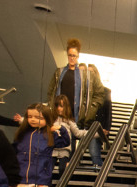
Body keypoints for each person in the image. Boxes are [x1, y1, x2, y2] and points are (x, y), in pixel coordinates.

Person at [46, 37, 108, 169]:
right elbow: (51, 92)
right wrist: (52, 108)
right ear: (67, 55)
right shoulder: (59, 73)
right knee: (59, 146)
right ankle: (62, 172)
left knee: (73, 145)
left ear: (78, 55)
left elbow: (100, 93)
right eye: (70, 55)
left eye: (74, 55)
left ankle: (70, 171)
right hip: (60, 115)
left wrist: (91, 109)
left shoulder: (86, 75)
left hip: (78, 115)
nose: (72, 58)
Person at [13, 102, 69, 187]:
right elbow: (14, 149)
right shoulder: (23, 134)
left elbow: (65, 142)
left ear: (47, 119)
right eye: (30, 116)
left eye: (39, 118)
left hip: (41, 173)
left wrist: (61, 129)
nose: (33, 120)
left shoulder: (49, 134)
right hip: (24, 173)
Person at [51, 94, 88, 181]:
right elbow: (40, 123)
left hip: (64, 149)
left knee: (62, 169)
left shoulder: (69, 120)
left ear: (66, 107)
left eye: (62, 106)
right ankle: (47, 186)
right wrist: (21, 120)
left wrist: (95, 133)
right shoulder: (51, 119)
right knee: (49, 168)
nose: (59, 109)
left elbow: (78, 133)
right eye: (58, 106)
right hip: (52, 148)